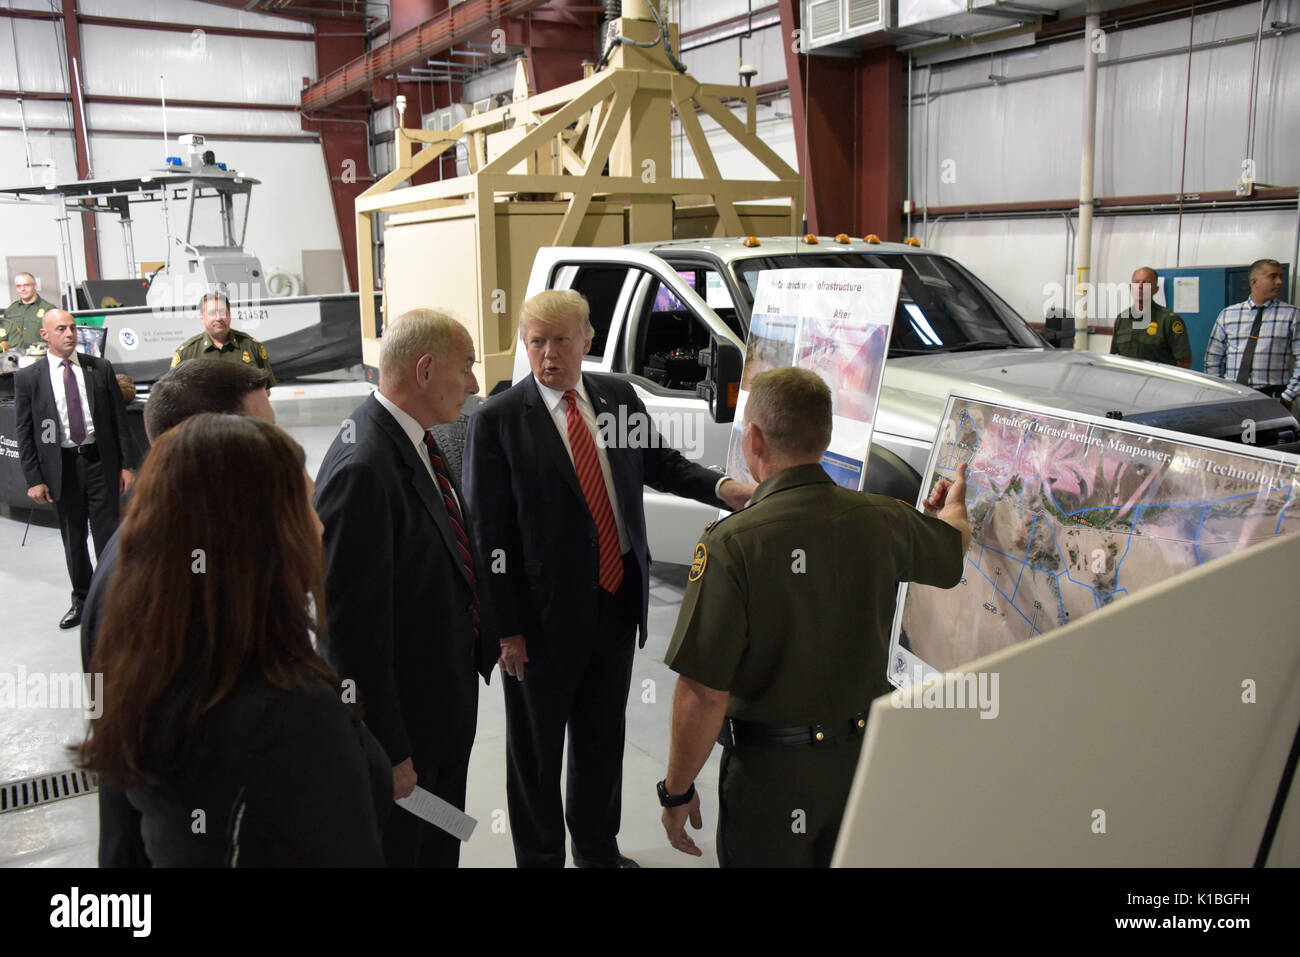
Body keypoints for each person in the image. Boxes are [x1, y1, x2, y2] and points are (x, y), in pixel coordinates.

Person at [463, 289, 754, 868]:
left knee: (601, 743)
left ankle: (598, 853)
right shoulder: (499, 420)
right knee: (536, 759)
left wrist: (725, 489)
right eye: (536, 342)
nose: (548, 354)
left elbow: (661, 464)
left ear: (587, 340)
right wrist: (506, 629)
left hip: (616, 605)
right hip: (540, 624)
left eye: (560, 340)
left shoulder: (617, 399)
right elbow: (488, 535)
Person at [658, 366, 971, 867]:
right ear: (824, 437)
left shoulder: (732, 545)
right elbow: (953, 546)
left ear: (753, 438)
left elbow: (703, 694)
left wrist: (676, 791)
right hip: (862, 766)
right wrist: (952, 507)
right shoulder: (884, 519)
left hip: (771, 781)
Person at [76, 414, 389, 866]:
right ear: (257, 538)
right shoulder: (291, 715)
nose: (320, 526)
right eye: (304, 508)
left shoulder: (143, 672)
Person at [314, 308, 496, 868]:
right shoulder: (365, 467)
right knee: (409, 853)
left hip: (440, 714)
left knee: (440, 843)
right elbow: (349, 633)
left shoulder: (413, 440)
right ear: (424, 370)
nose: (473, 384)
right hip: (407, 735)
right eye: (465, 367)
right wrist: (389, 751)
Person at [80, 360, 276, 869]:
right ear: (208, 444)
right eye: (263, 436)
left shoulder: (177, 542)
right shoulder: (162, 578)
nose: (275, 453)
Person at [13, 309, 137, 629]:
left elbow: (118, 420)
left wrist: (126, 464)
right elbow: (24, 432)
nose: (69, 334)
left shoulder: (100, 368)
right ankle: (83, 598)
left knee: (108, 535)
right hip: (62, 468)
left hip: (99, 463)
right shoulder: (29, 378)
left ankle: (113, 599)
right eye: (61, 329)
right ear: (45, 335)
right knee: (74, 536)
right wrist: (34, 478)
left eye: (72, 328)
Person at [1204, 258, 1299, 414]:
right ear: (1254, 281)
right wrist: (1218, 392)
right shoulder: (1228, 314)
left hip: (1273, 396)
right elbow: (1213, 359)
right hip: (1234, 396)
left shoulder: (1291, 315)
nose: (1279, 282)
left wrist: (1288, 396)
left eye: (1280, 276)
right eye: (1273, 276)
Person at [171, 291, 276, 386]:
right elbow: (174, 393)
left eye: (222, 312)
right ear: (202, 317)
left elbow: (265, 391)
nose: (218, 318)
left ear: (229, 315)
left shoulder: (252, 347)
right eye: (212, 313)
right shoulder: (186, 353)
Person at [1110, 267, 1191, 368]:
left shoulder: (1169, 320)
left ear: (1155, 289)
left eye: (1146, 283)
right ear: (1130, 288)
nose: (1140, 286)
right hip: (1127, 377)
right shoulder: (1122, 319)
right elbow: (1114, 356)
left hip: (1157, 378)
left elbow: (1184, 362)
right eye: (1136, 282)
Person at [1, 272, 56, 353]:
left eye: (26, 285)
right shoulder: (10, 310)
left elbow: (54, 336)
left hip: (40, 355)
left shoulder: (48, 309)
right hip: (15, 356)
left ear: (35, 286)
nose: (22, 289)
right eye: (19, 286)